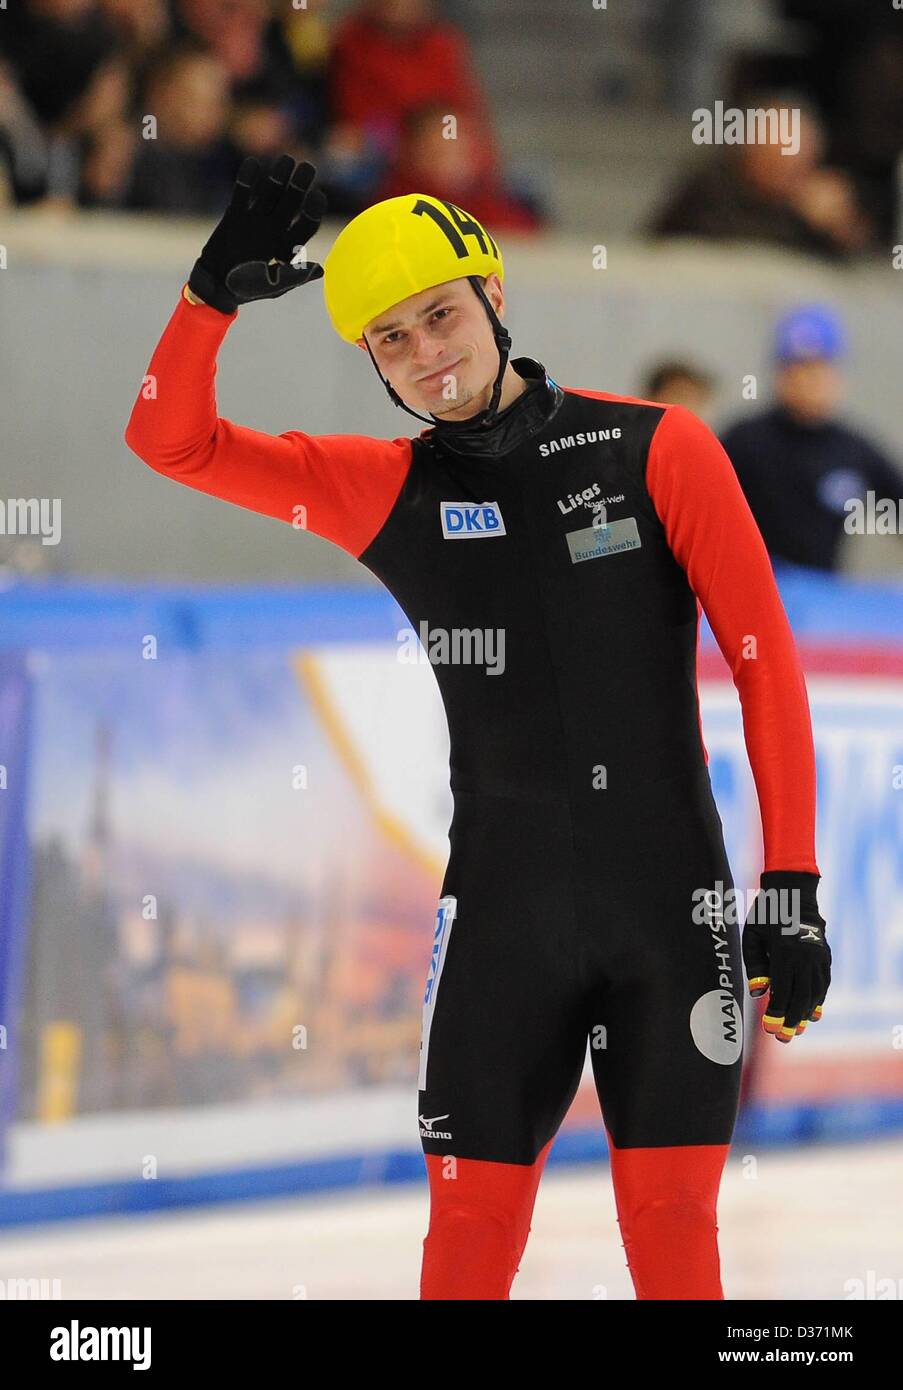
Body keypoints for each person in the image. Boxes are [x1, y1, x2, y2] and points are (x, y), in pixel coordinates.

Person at [124, 158, 832, 1300]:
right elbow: (171, 442)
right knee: (464, 1251)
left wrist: (789, 882)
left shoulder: (658, 449)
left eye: (441, 315)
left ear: (495, 293)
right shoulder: (382, 492)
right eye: (392, 341)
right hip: (503, 929)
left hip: (674, 916)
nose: (428, 355)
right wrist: (207, 300)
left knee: (672, 1242)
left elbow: (766, 668)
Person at [721, 304, 903, 573]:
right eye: (797, 368)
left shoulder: (855, 450)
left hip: (822, 600)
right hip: (755, 591)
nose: (808, 380)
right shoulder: (744, 441)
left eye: (818, 368)